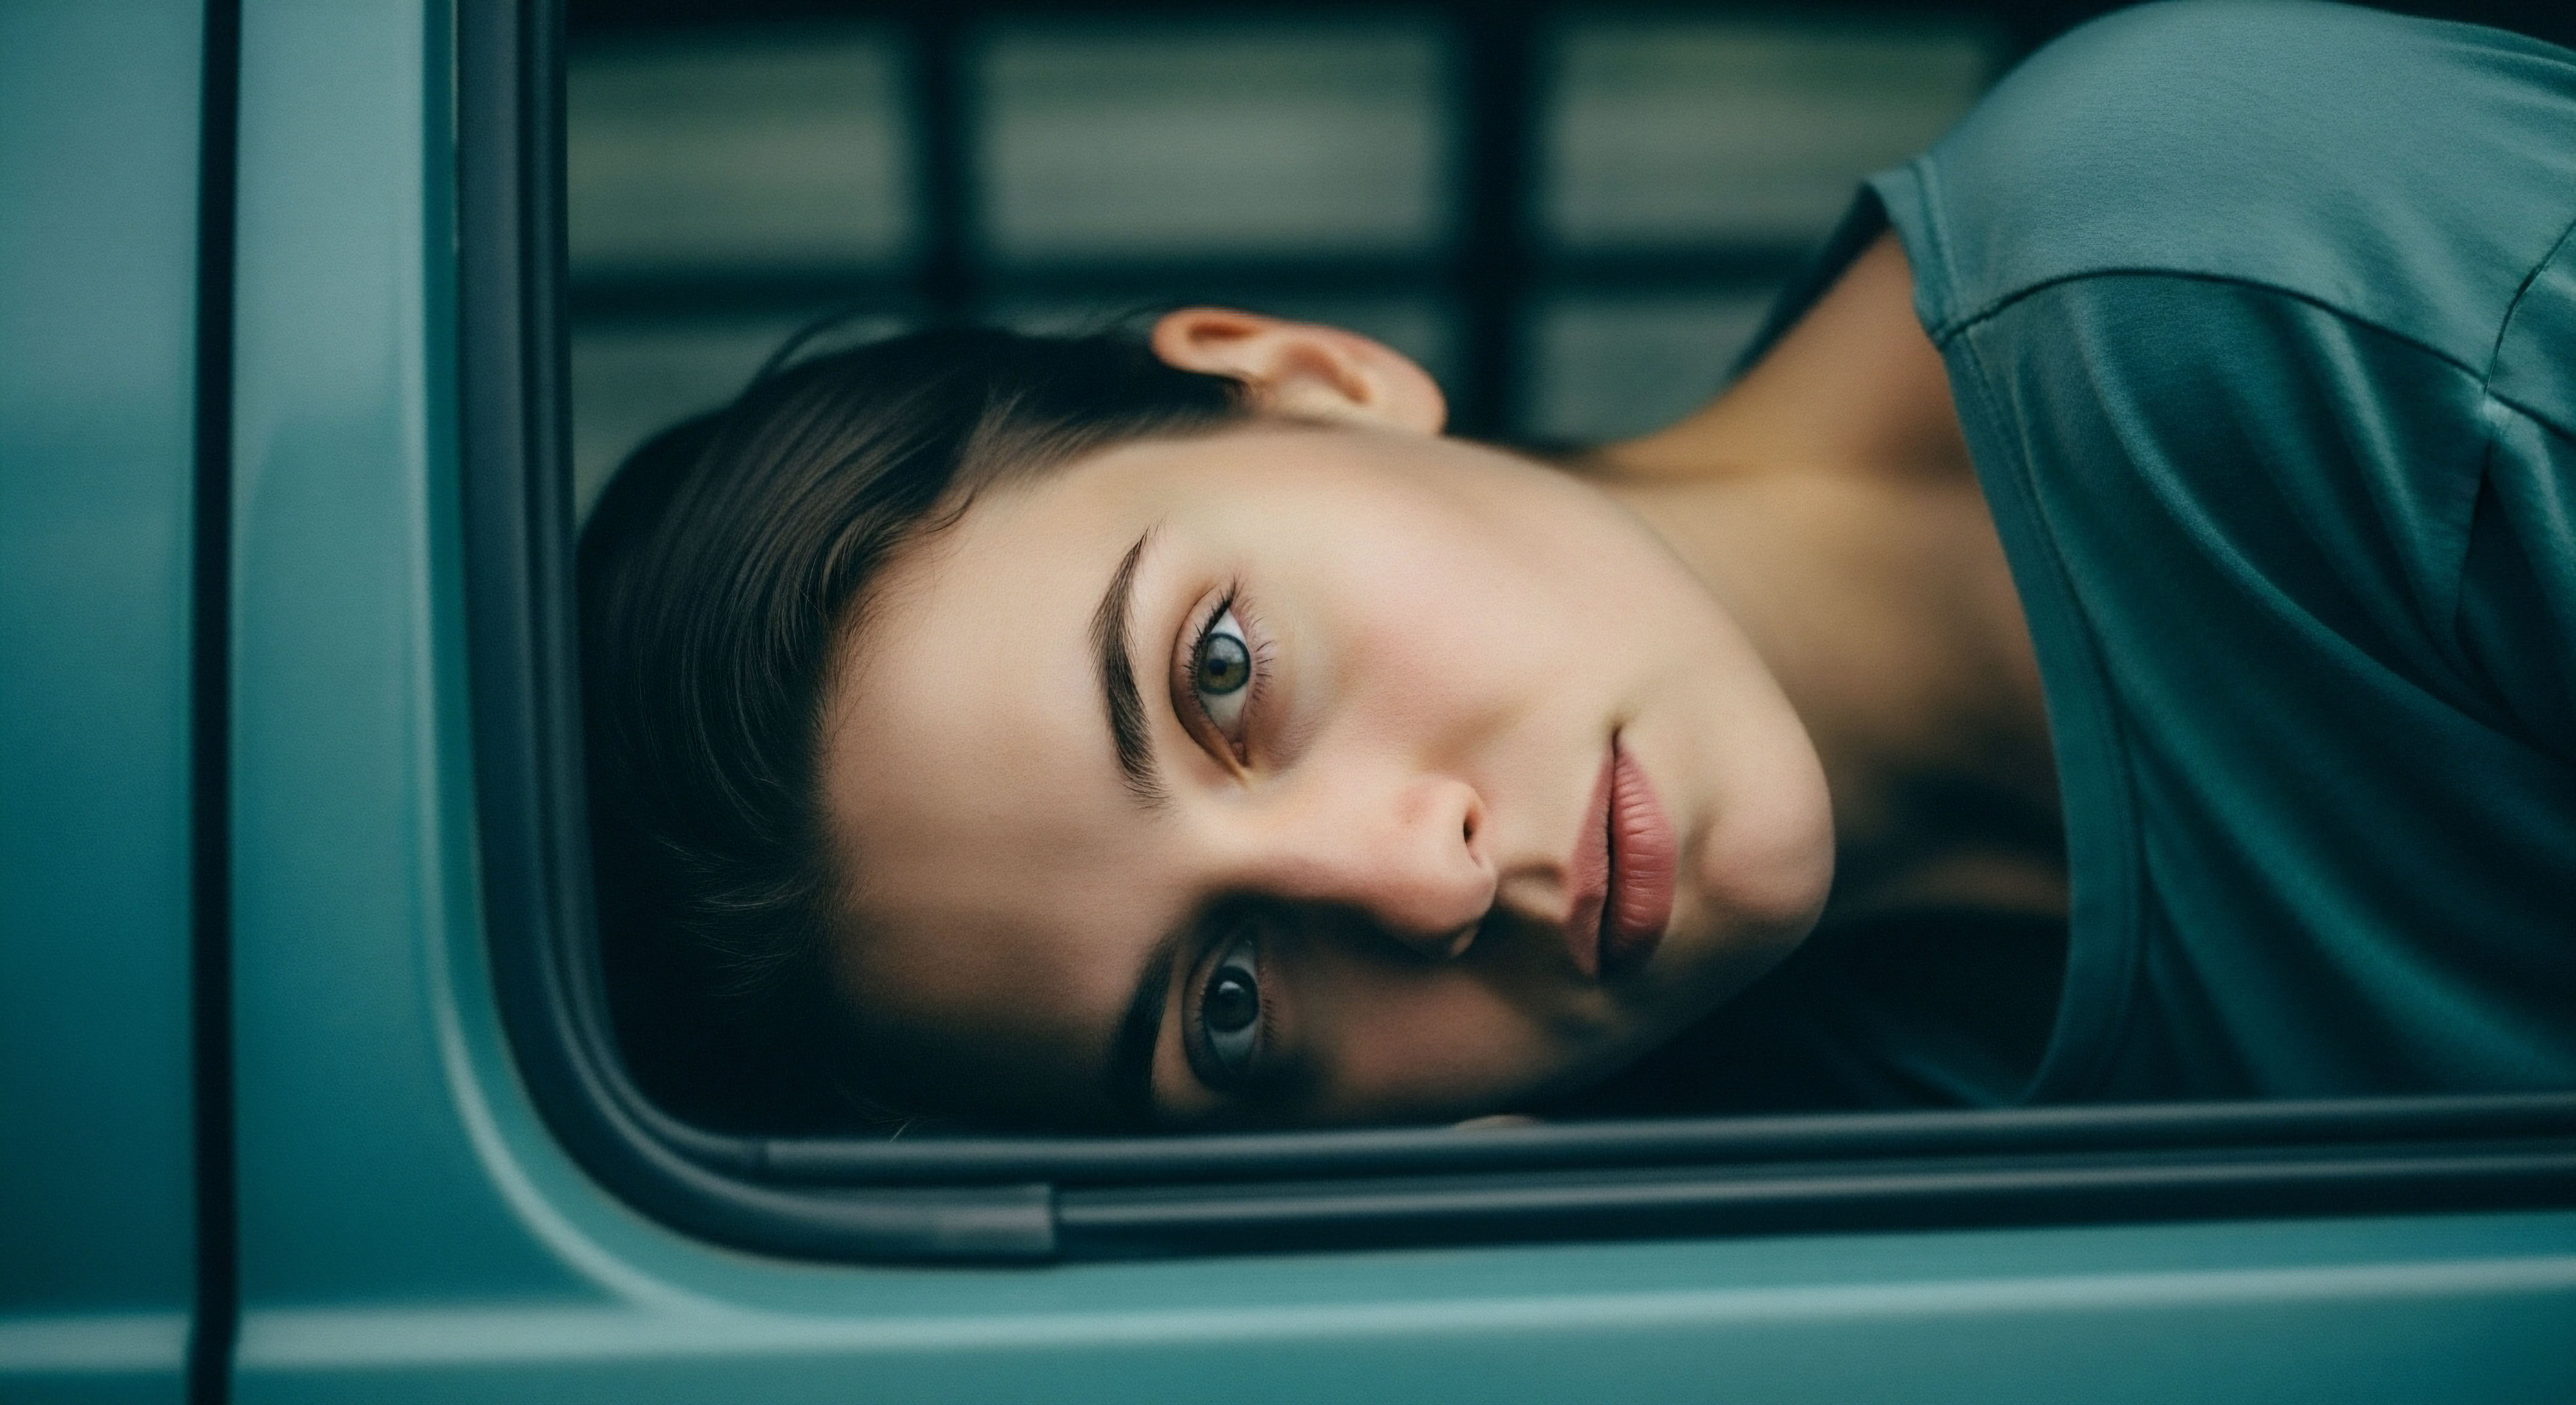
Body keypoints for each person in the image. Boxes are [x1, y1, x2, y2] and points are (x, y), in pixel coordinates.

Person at [580, 1, 2576, 1134]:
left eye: (1217, 677)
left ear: (1307, 379)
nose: (1421, 880)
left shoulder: (2260, 289)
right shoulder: (1757, 1211)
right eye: (1235, 1012)